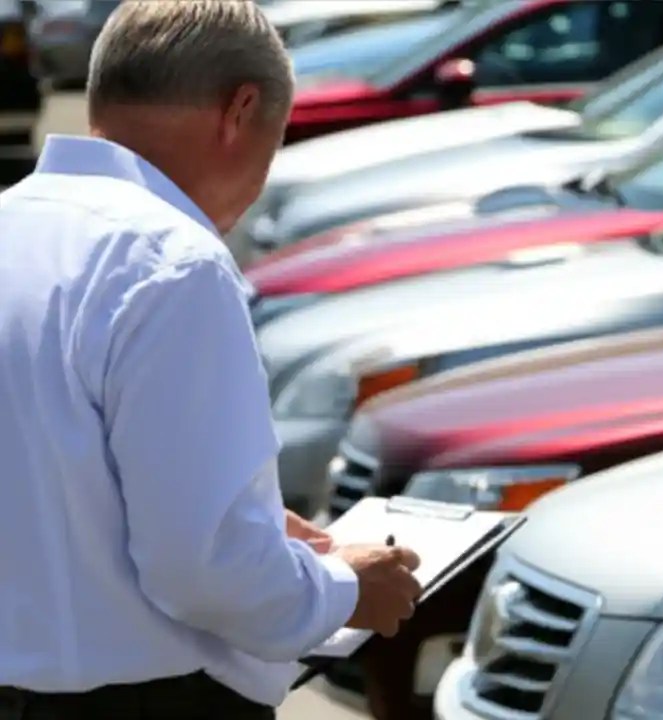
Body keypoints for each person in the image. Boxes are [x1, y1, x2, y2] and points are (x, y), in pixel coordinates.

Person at [0, 2, 423, 718]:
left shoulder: (15, 224)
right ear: (241, 110)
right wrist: (351, 587)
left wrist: (246, 513)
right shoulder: (173, 263)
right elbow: (204, 569)